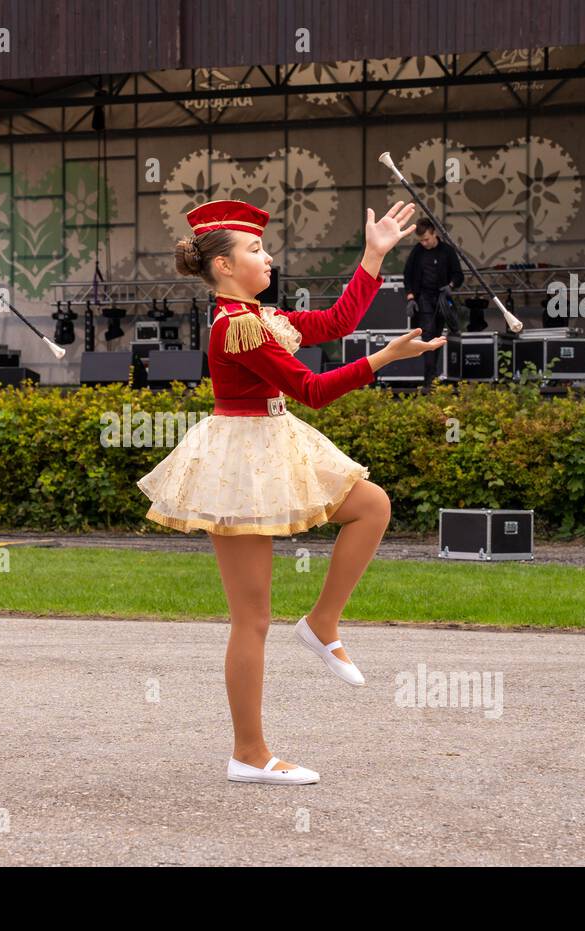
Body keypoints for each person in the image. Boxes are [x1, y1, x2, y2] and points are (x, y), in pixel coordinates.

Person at [137, 198, 445, 785]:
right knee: (251, 618)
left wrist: (373, 256)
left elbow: (336, 323)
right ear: (224, 266)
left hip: (271, 443)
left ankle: (322, 623)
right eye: (255, 250)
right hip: (240, 465)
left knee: (371, 506)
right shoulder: (238, 328)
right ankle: (249, 754)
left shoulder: (261, 317)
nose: (268, 257)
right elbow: (312, 390)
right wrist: (385, 358)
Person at [403, 220, 464, 388]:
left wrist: (450, 286)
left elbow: (458, 274)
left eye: (426, 239)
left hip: (442, 298)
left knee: (436, 336)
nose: (424, 243)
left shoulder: (447, 251)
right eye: (421, 240)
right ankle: (429, 380)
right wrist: (410, 297)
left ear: (434, 233)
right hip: (423, 298)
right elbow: (407, 274)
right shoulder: (417, 251)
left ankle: (433, 377)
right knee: (427, 335)